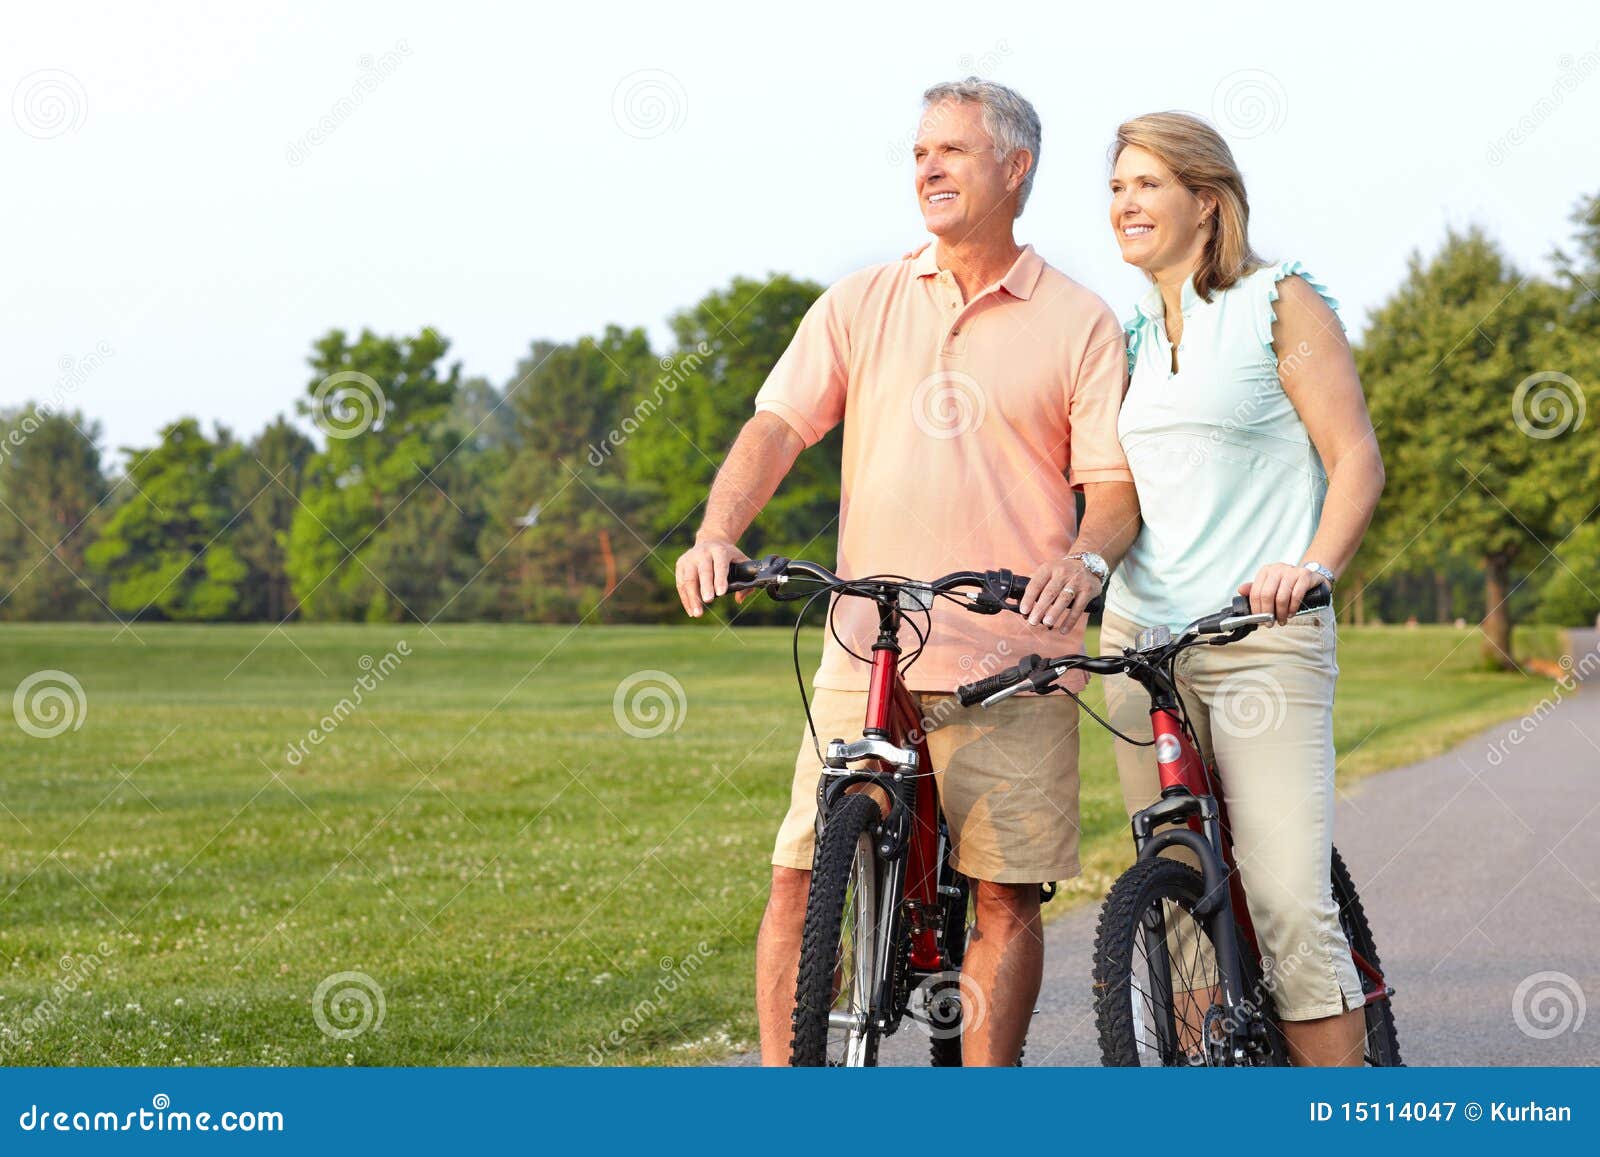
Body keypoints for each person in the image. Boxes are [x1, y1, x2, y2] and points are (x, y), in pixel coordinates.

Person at [674, 78, 1139, 1065]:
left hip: (1013, 657)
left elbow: (1111, 487)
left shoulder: (1080, 320)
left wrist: (1085, 558)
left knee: (1004, 895)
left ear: (1014, 169)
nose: (927, 167)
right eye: (920, 152)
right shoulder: (861, 301)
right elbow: (777, 426)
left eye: (951, 151)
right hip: (867, 644)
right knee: (797, 877)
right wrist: (717, 530)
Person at [1096, 111, 1386, 1066]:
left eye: (1147, 183)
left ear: (1208, 201)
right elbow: (1121, 495)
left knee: (1287, 901)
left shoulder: (1279, 300)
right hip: (1143, 645)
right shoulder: (1131, 333)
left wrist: (1313, 566)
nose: (1124, 203)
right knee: (1177, 900)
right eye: (1116, 187)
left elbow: (1355, 459)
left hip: (1261, 633)